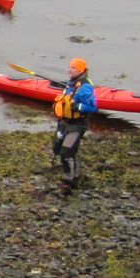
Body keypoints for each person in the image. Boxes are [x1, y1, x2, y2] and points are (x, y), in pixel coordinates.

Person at [51, 56, 97, 193]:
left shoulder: (85, 87)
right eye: (69, 67)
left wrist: (78, 106)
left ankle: (67, 183)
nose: (69, 70)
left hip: (76, 125)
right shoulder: (71, 84)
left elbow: (93, 107)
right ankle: (75, 178)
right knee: (58, 149)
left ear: (80, 70)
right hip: (64, 124)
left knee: (66, 152)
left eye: (73, 68)